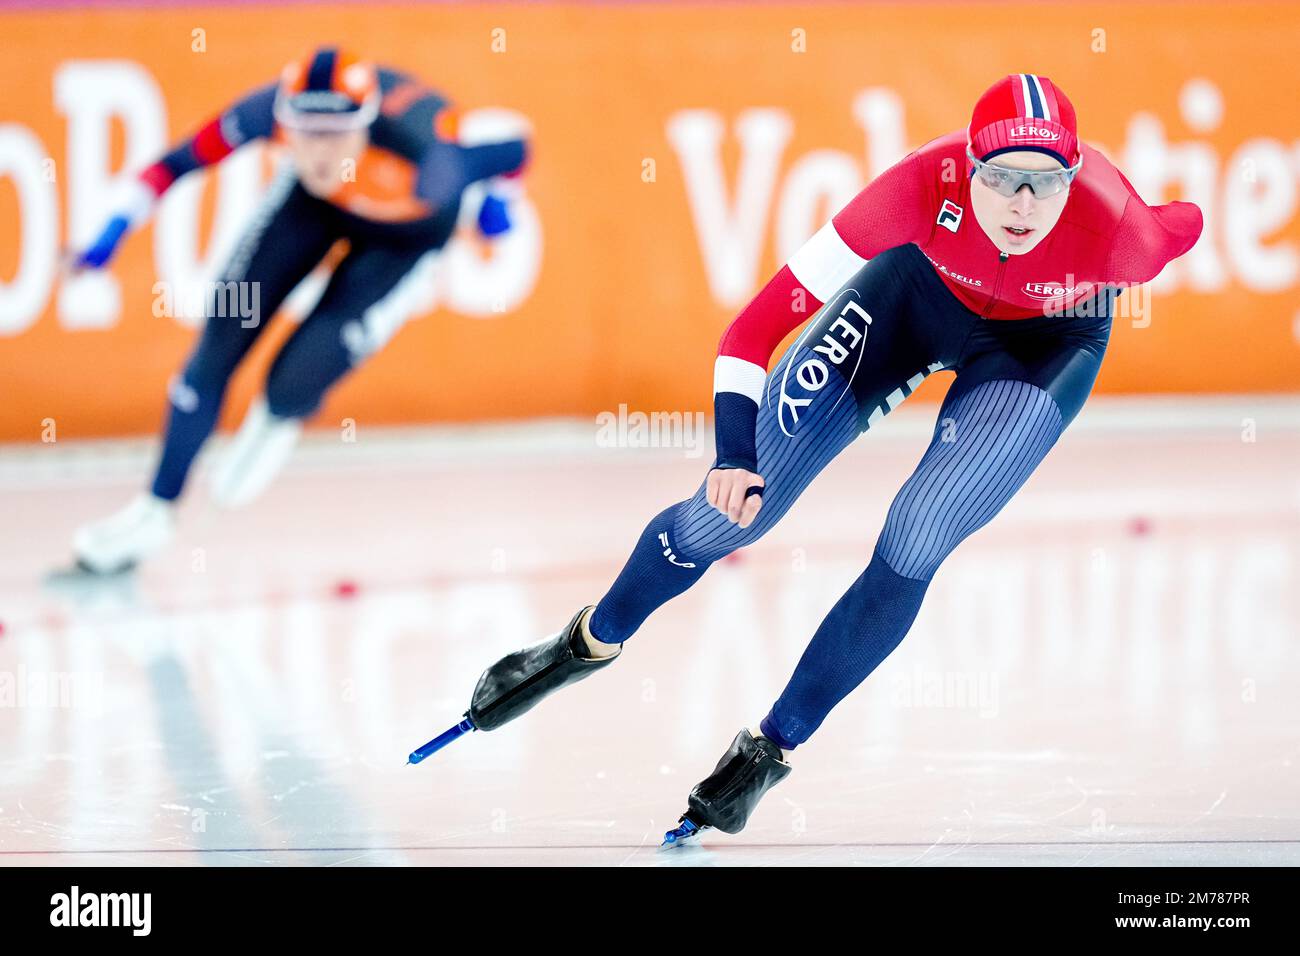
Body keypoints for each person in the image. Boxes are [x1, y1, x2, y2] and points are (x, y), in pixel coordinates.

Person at [452, 74, 1203, 845]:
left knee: (917, 533)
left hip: (1047, 345)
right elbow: (750, 331)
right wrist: (732, 455)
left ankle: (768, 750)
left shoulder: (1124, 232)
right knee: (731, 512)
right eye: (1003, 179)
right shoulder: (915, 185)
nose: (1022, 205)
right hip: (912, 299)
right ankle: (584, 643)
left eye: (1045, 185)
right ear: (967, 169)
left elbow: (1189, 220)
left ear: (1073, 179)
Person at [69, 46, 528, 574]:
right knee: (223, 328)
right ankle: (154, 511)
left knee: (293, 378)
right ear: (283, 122)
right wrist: (114, 228)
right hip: (313, 207)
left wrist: (497, 202)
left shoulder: (430, 154)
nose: (318, 154)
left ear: (367, 123)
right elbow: (175, 164)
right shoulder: (265, 114)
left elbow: (518, 151)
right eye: (303, 133)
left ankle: (279, 414)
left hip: (403, 240)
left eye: (334, 136)